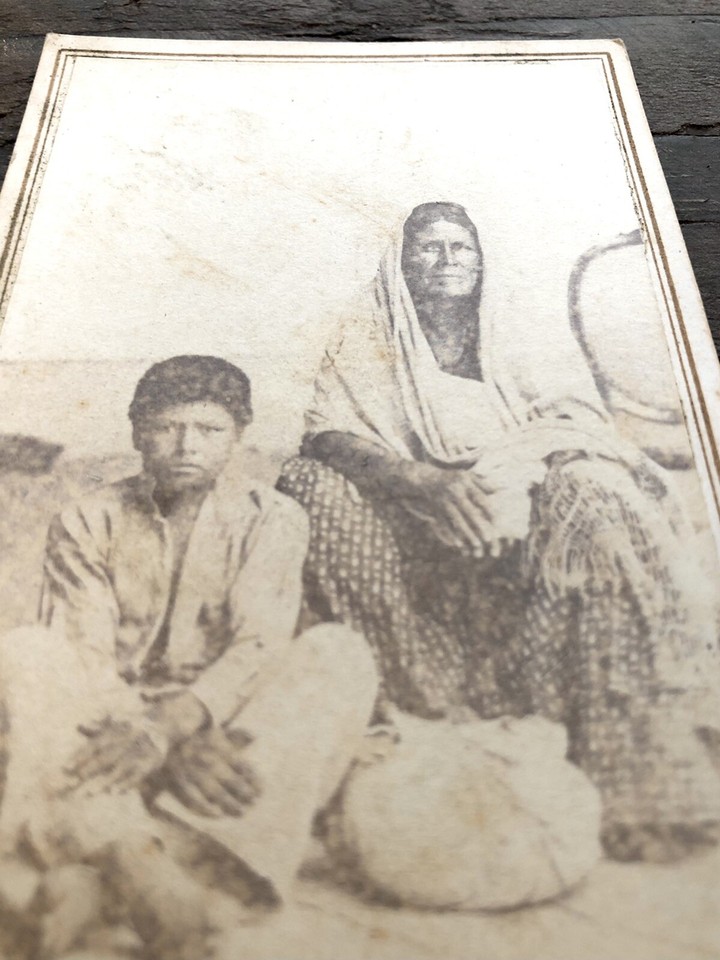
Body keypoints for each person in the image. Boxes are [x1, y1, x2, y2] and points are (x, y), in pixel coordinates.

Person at [277, 201, 720, 863]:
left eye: (462, 247)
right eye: (429, 247)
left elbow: (572, 421)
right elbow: (329, 431)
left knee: (598, 495)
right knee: (307, 480)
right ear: (401, 262)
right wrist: (424, 483)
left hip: (521, 515)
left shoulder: (516, 330)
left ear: (482, 260)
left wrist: (505, 487)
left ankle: (635, 779)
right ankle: (425, 701)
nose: (448, 260)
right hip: (409, 521)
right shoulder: (365, 329)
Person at [0, 355, 378, 959]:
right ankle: (130, 855)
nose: (186, 446)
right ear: (136, 433)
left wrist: (173, 733)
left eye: (209, 431)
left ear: (237, 438)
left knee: (341, 653)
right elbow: (87, 651)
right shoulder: (86, 518)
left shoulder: (274, 518)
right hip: (108, 735)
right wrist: (145, 732)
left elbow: (258, 646)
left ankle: (134, 872)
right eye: (167, 427)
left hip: (216, 738)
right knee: (27, 649)